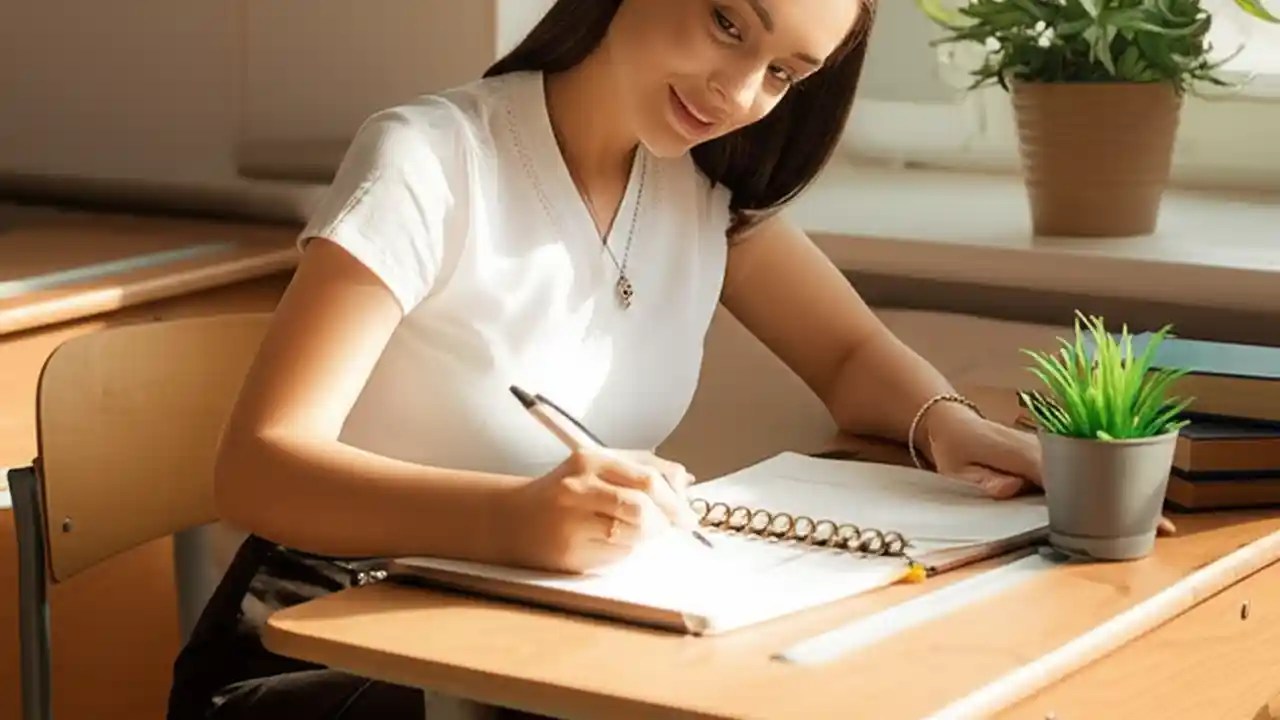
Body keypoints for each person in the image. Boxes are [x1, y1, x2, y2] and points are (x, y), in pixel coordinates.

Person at [166, 0, 1049, 717]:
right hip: (317, 640)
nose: (740, 91)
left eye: (783, 72)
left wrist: (948, 425)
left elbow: (851, 355)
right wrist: (516, 520)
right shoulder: (431, 160)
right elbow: (257, 469)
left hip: (523, 631)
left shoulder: (696, 190)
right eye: (728, 24)